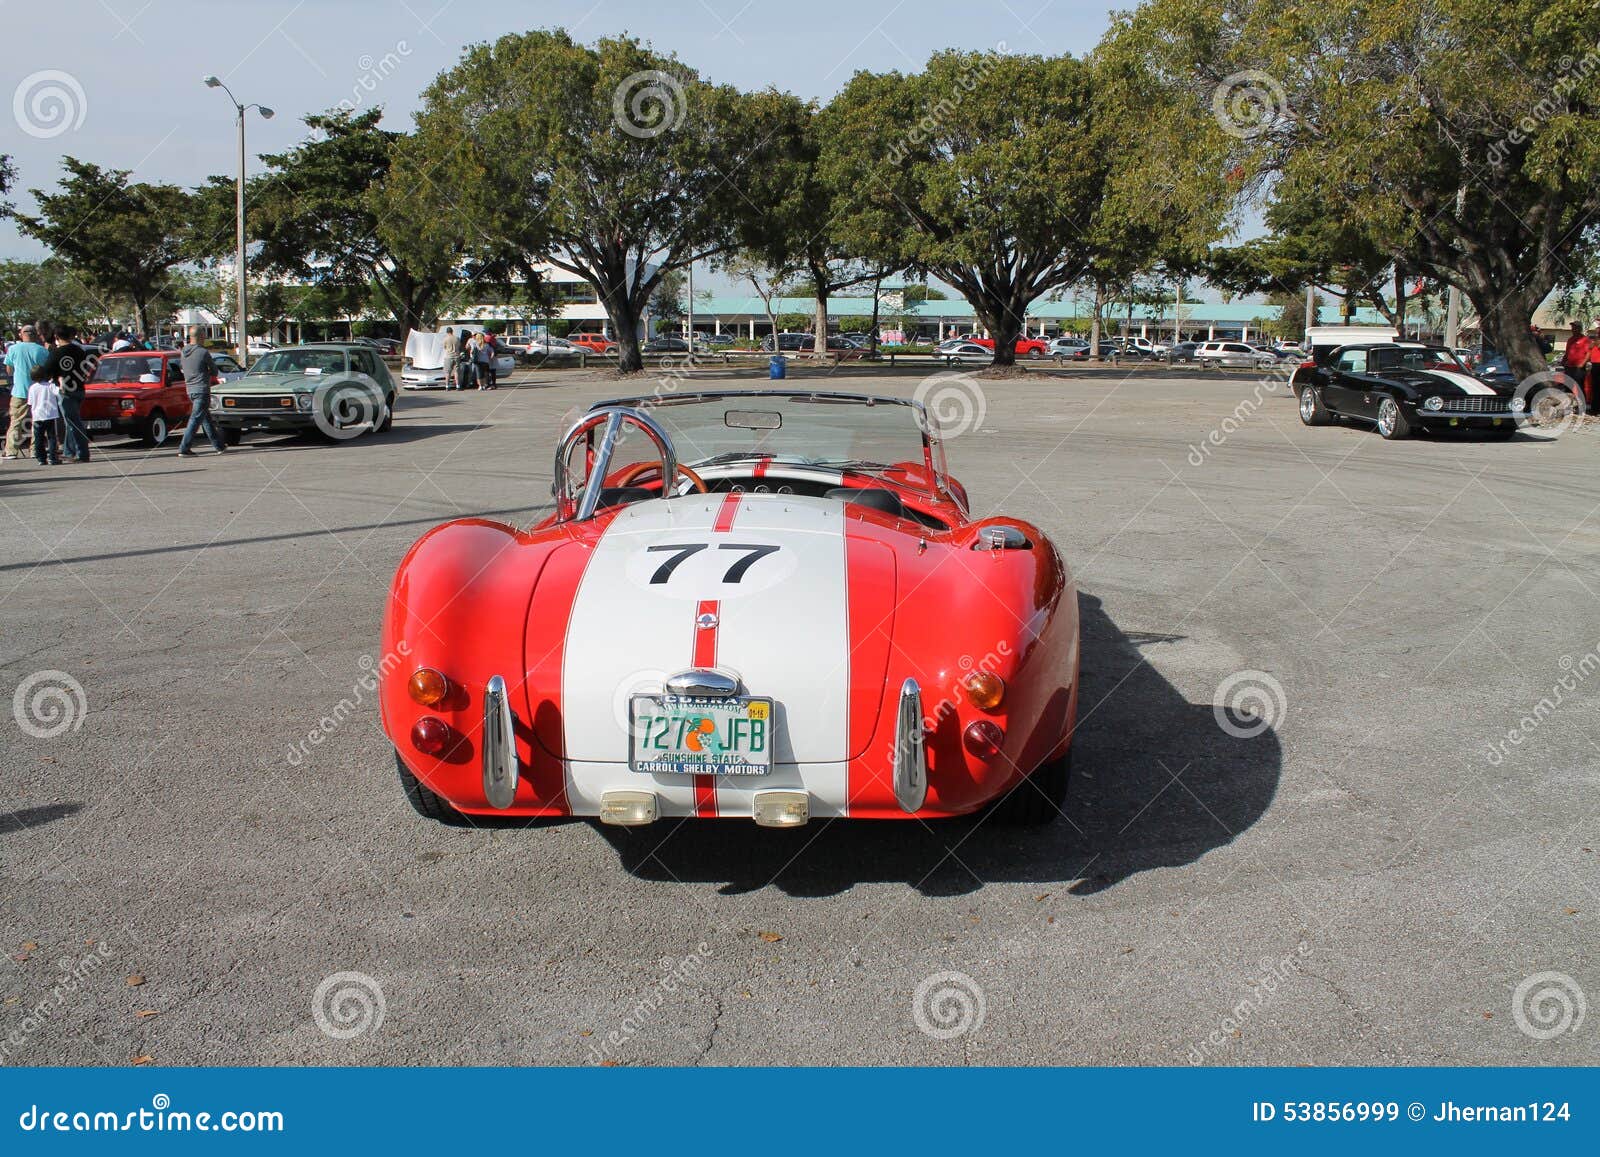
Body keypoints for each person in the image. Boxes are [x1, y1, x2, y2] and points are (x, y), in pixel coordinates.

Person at [33, 323, 93, 463]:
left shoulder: (56, 353)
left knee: (73, 423)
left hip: (65, 391)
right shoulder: (79, 351)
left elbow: (46, 372)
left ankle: (82, 453)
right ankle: (68, 451)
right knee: (71, 422)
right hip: (79, 388)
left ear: (56, 336)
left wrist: (55, 377)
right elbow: (86, 368)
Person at [177, 326, 227, 456]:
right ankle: (184, 448)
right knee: (195, 419)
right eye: (204, 336)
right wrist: (206, 372)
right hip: (202, 389)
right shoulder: (203, 352)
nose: (205, 338)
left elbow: (182, 368)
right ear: (200, 337)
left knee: (205, 419)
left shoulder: (183, 352)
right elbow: (215, 371)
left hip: (190, 390)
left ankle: (219, 446)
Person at [4, 325, 50, 460]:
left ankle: (11, 451)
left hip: (19, 391)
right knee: (37, 421)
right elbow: (45, 371)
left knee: (16, 421)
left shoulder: (13, 349)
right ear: (35, 334)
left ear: (21, 334)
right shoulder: (42, 351)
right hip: (38, 392)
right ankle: (35, 450)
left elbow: (9, 370)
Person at [27, 366, 61, 466]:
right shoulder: (50, 386)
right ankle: (52, 458)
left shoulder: (32, 388)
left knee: (39, 438)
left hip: (37, 416)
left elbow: (30, 403)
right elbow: (59, 392)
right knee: (51, 438)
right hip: (50, 415)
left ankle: (41, 458)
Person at [1560, 320, 1590, 401]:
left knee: (1579, 387)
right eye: (1572, 327)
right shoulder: (1570, 339)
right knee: (1567, 386)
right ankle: (1568, 405)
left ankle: (1581, 405)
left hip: (1578, 368)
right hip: (1569, 367)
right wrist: (1563, 361)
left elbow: (1588, 353)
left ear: (1579, 329)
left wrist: (1582, 364)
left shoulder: (1585, 339)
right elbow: (1567, 352)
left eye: (1575, 328)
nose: (1573, 329)